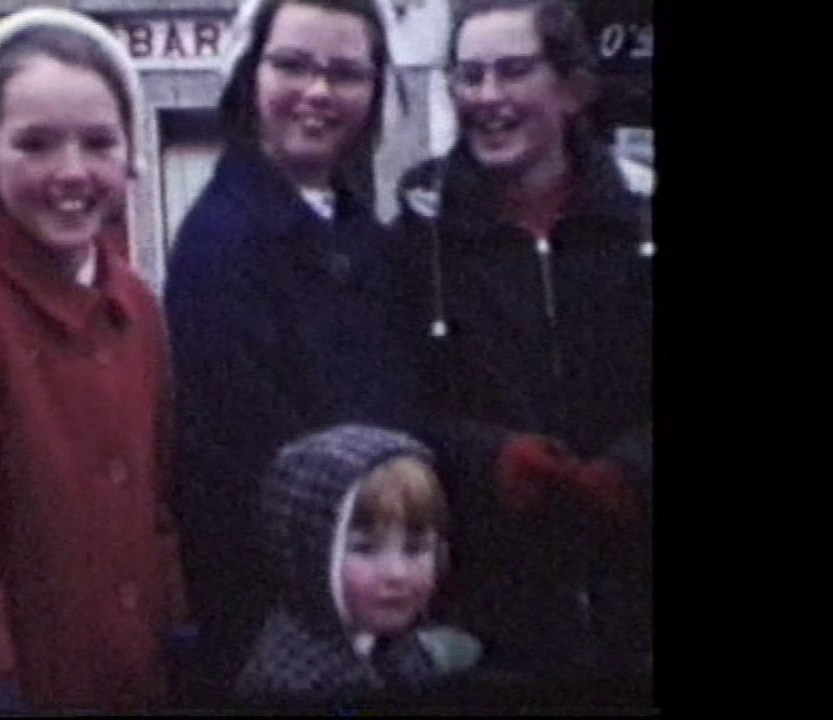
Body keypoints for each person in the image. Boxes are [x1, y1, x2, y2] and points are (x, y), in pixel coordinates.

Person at [0, 7, 185, 712]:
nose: (72, 172)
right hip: (31, 682)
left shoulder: (138, 304)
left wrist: (175, 624)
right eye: (36, 145)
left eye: (98, 142)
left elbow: (157, 503)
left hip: (135, 673)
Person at [162, 0, 421, 696]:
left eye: (345, 72)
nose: (317, 92)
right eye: (293, 64)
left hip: (380, 606)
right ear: (251, 76)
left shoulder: (366, 237)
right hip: (284, 636)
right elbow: (239, 472)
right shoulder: (219, 247)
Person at [393, 0, 653, 679]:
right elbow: (390, 400)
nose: (488, 98)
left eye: (512, 72)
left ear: (570, 90)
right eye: (469, 76)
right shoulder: (421, 231)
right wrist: (489, 460)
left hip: (636, 600)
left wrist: (634, 468)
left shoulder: (641, 216)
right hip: (488, 616)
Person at [235, 424, 481, 707]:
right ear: (308, 558)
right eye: (365, 549)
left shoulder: (397, 648)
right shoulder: (293, 684)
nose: (397, 574)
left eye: (414, 549)